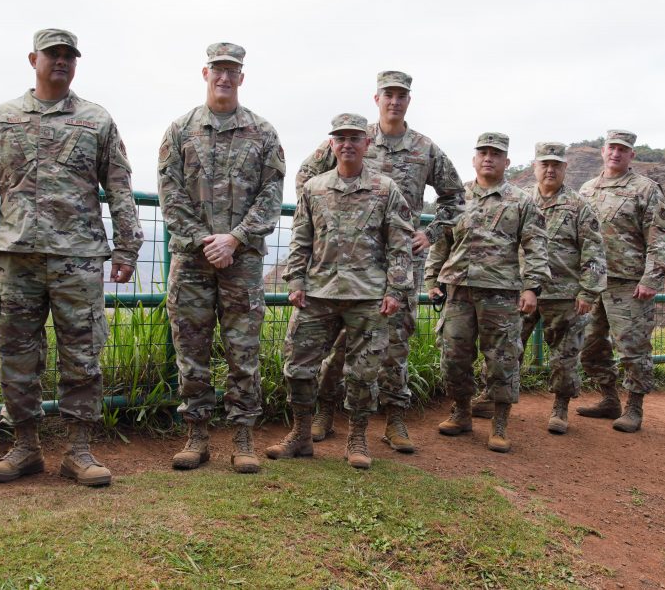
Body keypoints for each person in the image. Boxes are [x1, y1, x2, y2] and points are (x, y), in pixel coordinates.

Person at [0, 29, 143, 486]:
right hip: (15, 257)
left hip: (77, 258)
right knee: (16, 354)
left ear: (75, 63)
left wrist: (127, 246)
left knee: (83, 355)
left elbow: (119, 186)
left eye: (68, 56)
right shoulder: (3, 118)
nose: (60, 62)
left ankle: (78, 451)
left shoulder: (96, 119)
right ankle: (25, 448)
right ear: (33, 59)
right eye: (52, 55)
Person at [294, 71, 462, 453]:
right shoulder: (354, 137)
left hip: (399, 266)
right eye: (388, 94)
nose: (394, 101)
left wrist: (429, 233)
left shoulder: (424, 148)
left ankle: (395, 420)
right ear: (377, 98)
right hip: (345, 267)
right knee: (338, 341)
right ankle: (325, 411)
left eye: (401, 95)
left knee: (395, 343)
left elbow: (455, 197)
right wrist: (327, 226)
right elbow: (307, 179)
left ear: (408, 100)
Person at [157, 42, 285, 474]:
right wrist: (203, 240)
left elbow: (271, 197)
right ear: (205, 73)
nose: (224, 78)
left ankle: (244, 436)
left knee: (242, 353)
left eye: (232, 71)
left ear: (242, 78)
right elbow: (169, 194)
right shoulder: (180, 130)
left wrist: (234, 239)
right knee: (190, 351)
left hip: (242, 263)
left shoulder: (264, 134)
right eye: (217, 70)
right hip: (191, 262)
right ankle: (196, 434)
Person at [267, 113, 413, 469]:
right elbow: (301, 238)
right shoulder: (314, 188)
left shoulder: (385, 188)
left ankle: (357, 438)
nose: (347, 144)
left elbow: (399, 242)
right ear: (331, 144)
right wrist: (296, 281)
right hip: (318, 292)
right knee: (298, 365)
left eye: (354, 138)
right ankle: (300, 435)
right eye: (340, 138)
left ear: (366, 144)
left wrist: (395, 289)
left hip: (367, 296)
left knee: (363, 372)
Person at [426, 133, 549, 453]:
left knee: (502, 359)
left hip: (501, 293)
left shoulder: (521, 201)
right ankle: (462, 413)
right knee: (454, 356)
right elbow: (441, 242)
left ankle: (499, 423)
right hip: (459, 290)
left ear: (507, 161)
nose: (488, 158)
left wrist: (532, 287)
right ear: (473, 158)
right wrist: (431, 279)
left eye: (496, 154)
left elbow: (536, 247)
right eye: (483, 153)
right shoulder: (457, 198)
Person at [577, 130, 665, 433]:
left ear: (632, 155)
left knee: (632, 348)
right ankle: (609, 399)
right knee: (589, 346)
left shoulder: (645, 189)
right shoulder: (587, 189)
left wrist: (651, 278)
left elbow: (659, 238)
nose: (616, 153)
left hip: (629, 284)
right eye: (611, 148)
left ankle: (634, 407)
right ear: (603, 151)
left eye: (623, 149)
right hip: (592, 283)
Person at [512, 143, 606, 433]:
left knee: (564, 357)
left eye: (556, 165)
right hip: (521, 290)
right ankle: (495, 397)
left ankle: (560, 407)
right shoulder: (520, 201)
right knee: (506, 348)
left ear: (565, 168)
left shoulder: (579, 206)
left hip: (564, 294)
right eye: (545, 164)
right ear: (535, 167)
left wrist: (588, 291)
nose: (550, 170)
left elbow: (594, 251)